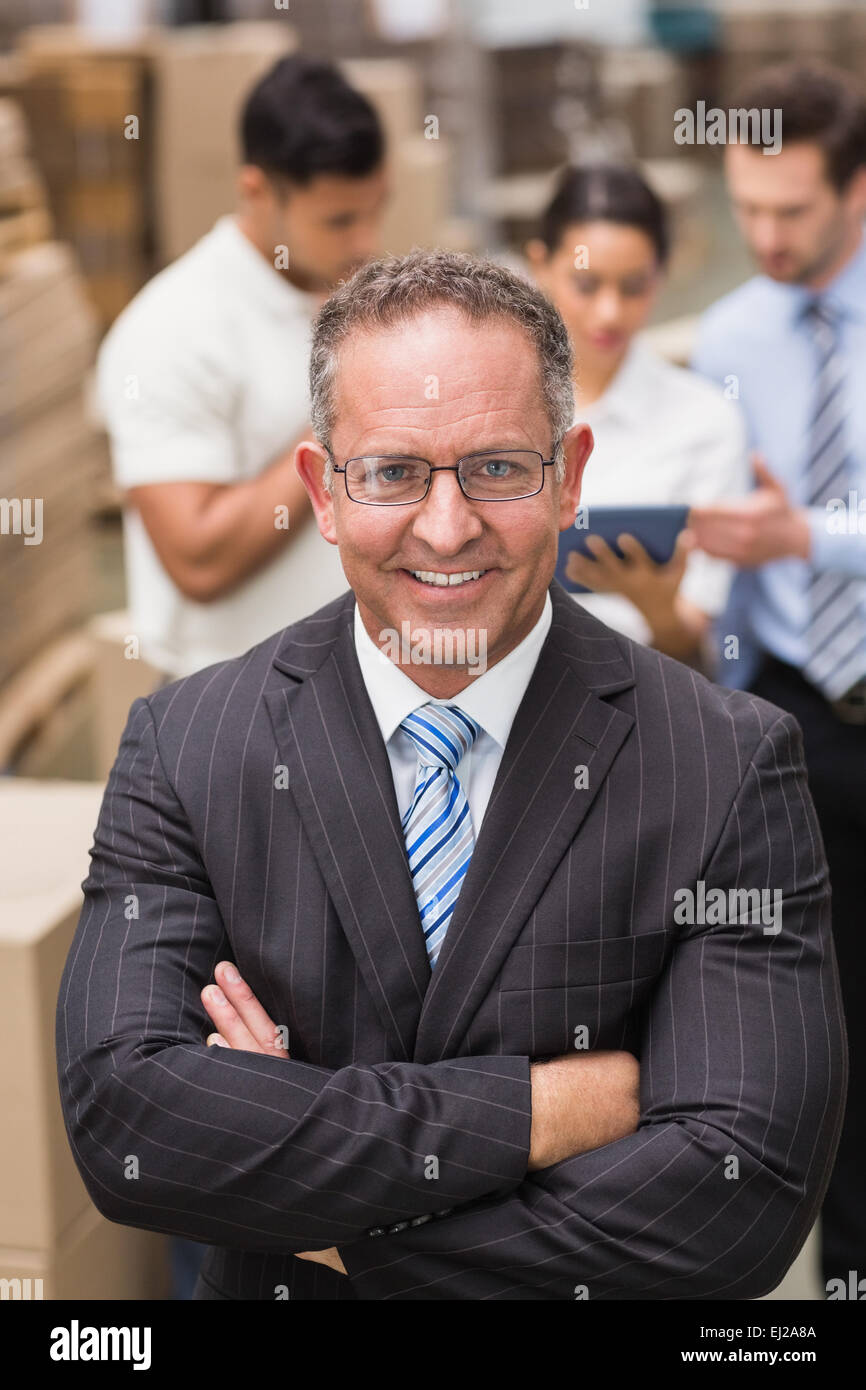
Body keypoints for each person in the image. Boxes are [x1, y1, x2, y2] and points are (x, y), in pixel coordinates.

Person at [57, 249, 846, 1301]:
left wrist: (338, 1229)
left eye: (496, 468)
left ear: (568, 477)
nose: (444, 526)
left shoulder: (724, 762)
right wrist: (541, 1110)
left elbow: (735, 1195)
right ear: (321, 491)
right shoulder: (191, 745)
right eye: (391, 471)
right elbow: (129, 1126)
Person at [690, 61, 866, 1295]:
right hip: (806, 709)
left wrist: (805, 532)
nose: (763, 237)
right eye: (744, 207)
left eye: (791, 211)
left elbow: (784, 527)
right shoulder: (729, 331)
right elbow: (730, 555)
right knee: (833, 1028)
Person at [96, 55, 388, 680]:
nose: (365, 241)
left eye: (374, 210)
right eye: (339, 220)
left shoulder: (341, 296)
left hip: (352, 685)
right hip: (232, 702)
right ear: (256, 190)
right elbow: (197, 561)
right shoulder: (172, 330)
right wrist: (344, 414)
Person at [526, 163, 748, 664]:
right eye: (586, 284)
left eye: (633, 286)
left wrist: (656, 608)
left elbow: (694, 652)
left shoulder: (705, 422)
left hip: (641, 691)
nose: (609, 312)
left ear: (662, 274)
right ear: (541, 265)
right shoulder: (493, 401)